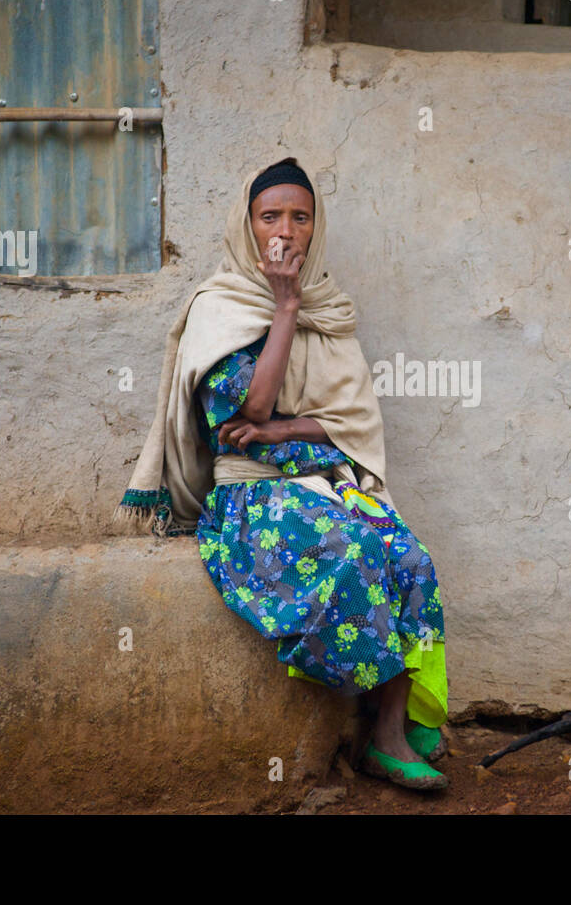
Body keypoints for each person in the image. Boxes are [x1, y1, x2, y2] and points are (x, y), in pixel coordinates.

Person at [114, 157, 449, 791]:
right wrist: (285, 306)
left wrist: (286, 430)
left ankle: (389, 730)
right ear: (247, 226)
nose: (286, 232)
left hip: (325, 486)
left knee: (409, 556)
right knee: (350, 551)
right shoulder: (221, 309)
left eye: (301, 217)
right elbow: (248, 412)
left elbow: (350, 422)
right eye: (271, 216)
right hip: (255, 501)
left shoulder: (332, 308)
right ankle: (383, 733)